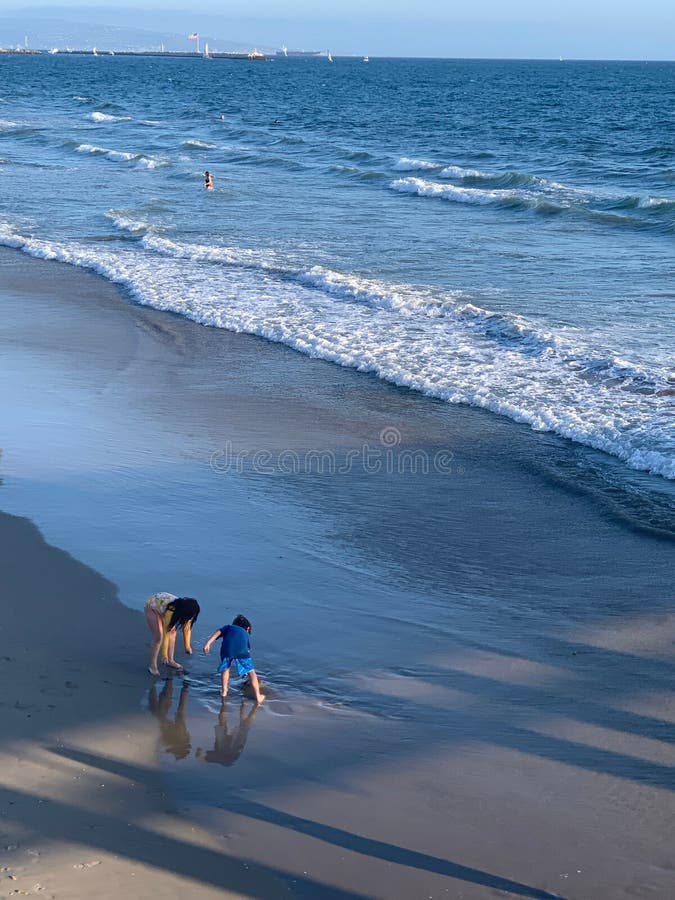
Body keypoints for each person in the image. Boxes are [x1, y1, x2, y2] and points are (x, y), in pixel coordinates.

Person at [203, 614, 265, 703]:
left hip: (227, 648)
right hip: (242, 651)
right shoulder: (245, 632)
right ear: (247, 628)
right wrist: (245, 671)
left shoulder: (229, 627)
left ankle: (224, 692)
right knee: (252, 672)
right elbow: (247, 649)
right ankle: (258, 696)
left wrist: (208, 643)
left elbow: (218, 632)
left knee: (226, 669)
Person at [144, 592, 200, 675]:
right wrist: (164, 655)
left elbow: (187, 629)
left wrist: (187, 647)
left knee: (173, 633)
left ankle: (170, 661)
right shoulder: (172, 611)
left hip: (162, 605)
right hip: (151, 606)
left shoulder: (187, 611)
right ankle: (153, 666)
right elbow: (166, 632)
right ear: (185, 612)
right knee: (158, 637)